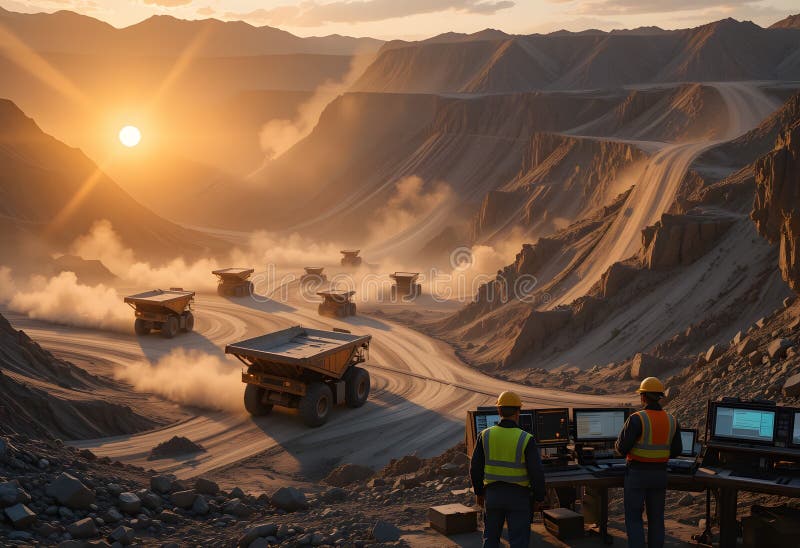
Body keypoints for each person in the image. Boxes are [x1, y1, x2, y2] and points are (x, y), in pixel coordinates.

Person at [470, 391, 546, 548]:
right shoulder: (526, 438)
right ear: (518, 412)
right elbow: (537, 472)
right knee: (519, 541)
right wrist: (539, 498)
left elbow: (475, 468)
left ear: (498, 411)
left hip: (493, 495)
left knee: (490, 539)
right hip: (519, 498)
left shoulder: (484, 435)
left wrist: (479, 492)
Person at [615, 377, 682, 548]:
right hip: (660, 475)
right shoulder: (672, 420)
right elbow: (676, 451)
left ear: (643, 397)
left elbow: (621, 448)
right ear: (660, 397)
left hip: (637, 474)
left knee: (634, 518)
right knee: (656, 519)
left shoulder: (637, 419)